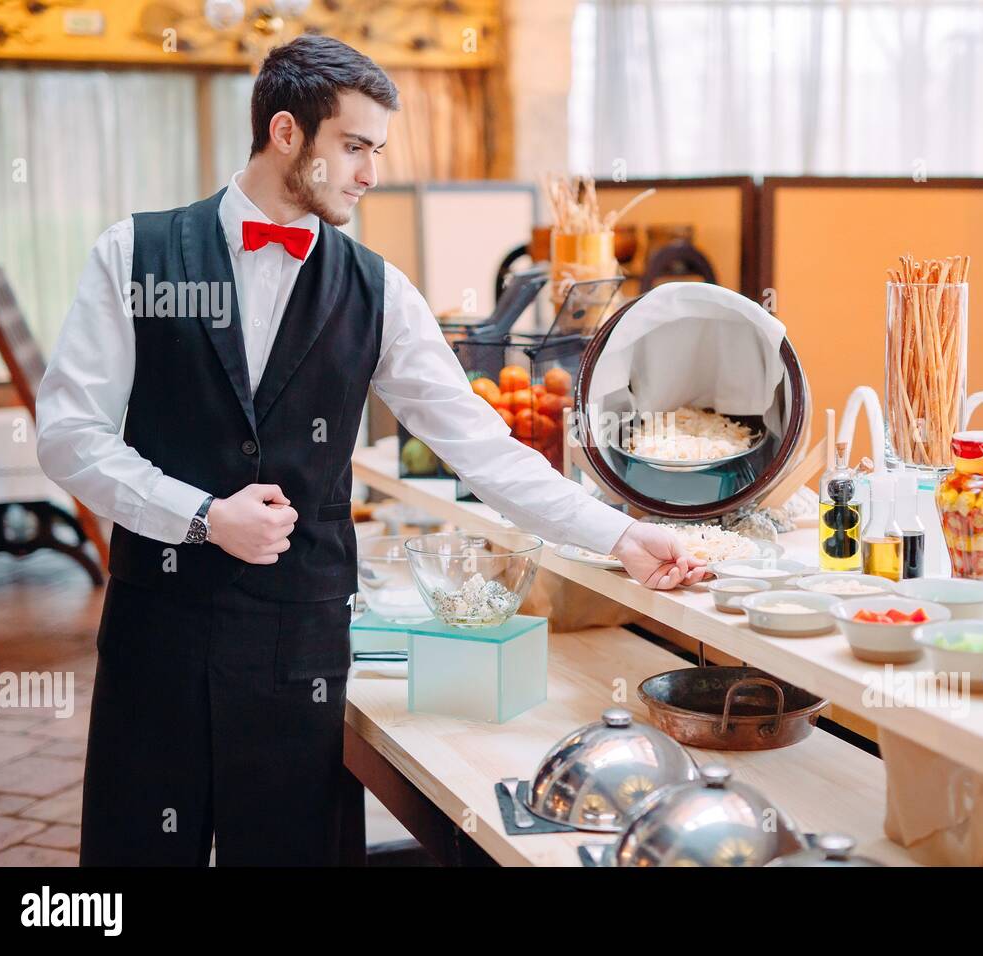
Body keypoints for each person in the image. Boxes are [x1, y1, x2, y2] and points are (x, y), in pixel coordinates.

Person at [35, 34, 706, 866]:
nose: (370, 173)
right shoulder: (131, 253)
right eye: (353, 147)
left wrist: (619, 535)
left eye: (376, 150)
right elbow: (67, 435)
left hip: (298, 648)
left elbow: (479, 446)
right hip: (156, 637)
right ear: (287, 134)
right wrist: (202, 517)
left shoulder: (380, 290)